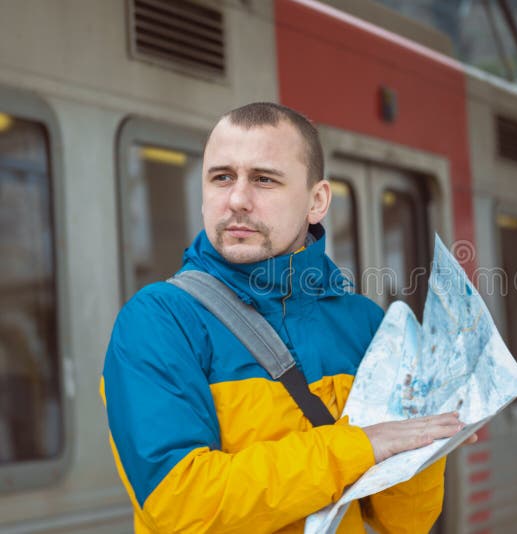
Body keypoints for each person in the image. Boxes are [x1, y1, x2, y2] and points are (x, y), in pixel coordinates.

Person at [101, 102, 470, 533]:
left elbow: (402, 522)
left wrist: (425, 442)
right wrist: (359, 447)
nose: (237, 199)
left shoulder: (367, 326)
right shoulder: (158, 321)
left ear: (317, 202)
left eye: (264, 179)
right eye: (221, 177)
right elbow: (180, 507)